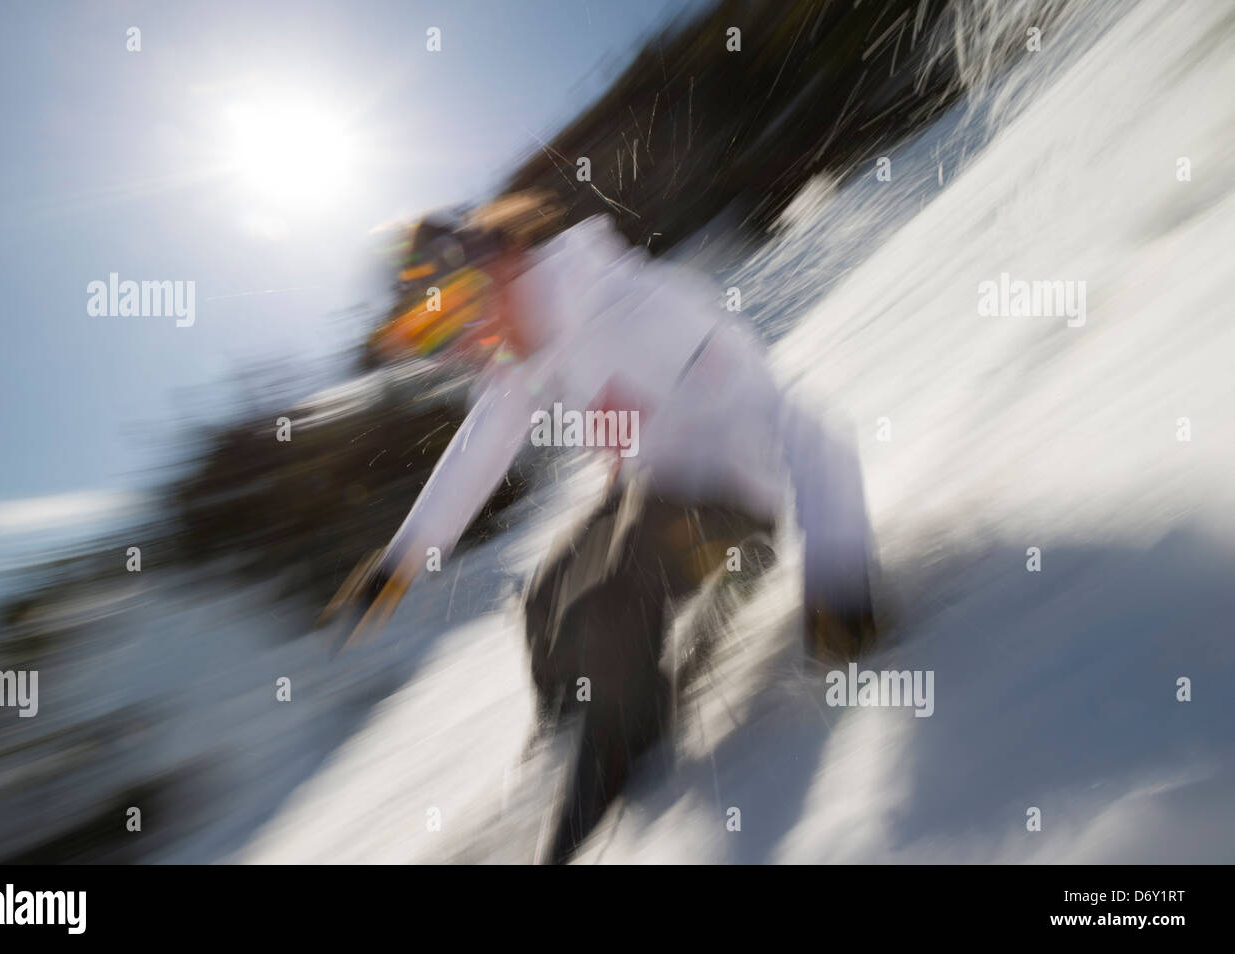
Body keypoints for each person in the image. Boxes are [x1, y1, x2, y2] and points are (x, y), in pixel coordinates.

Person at [332, 190, 878, 862]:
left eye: (448, 317)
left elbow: (796, 422)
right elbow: (480, 446)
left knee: (610, 596)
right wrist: (401, 561)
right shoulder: (521, 353)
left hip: (735, 502)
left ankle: (623, 739)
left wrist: (839, 571)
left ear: (495, 266)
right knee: (543, 603)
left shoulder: (633, 312)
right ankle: (573, 721)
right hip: (653, 487)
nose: (455, 348)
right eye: (428, 337)